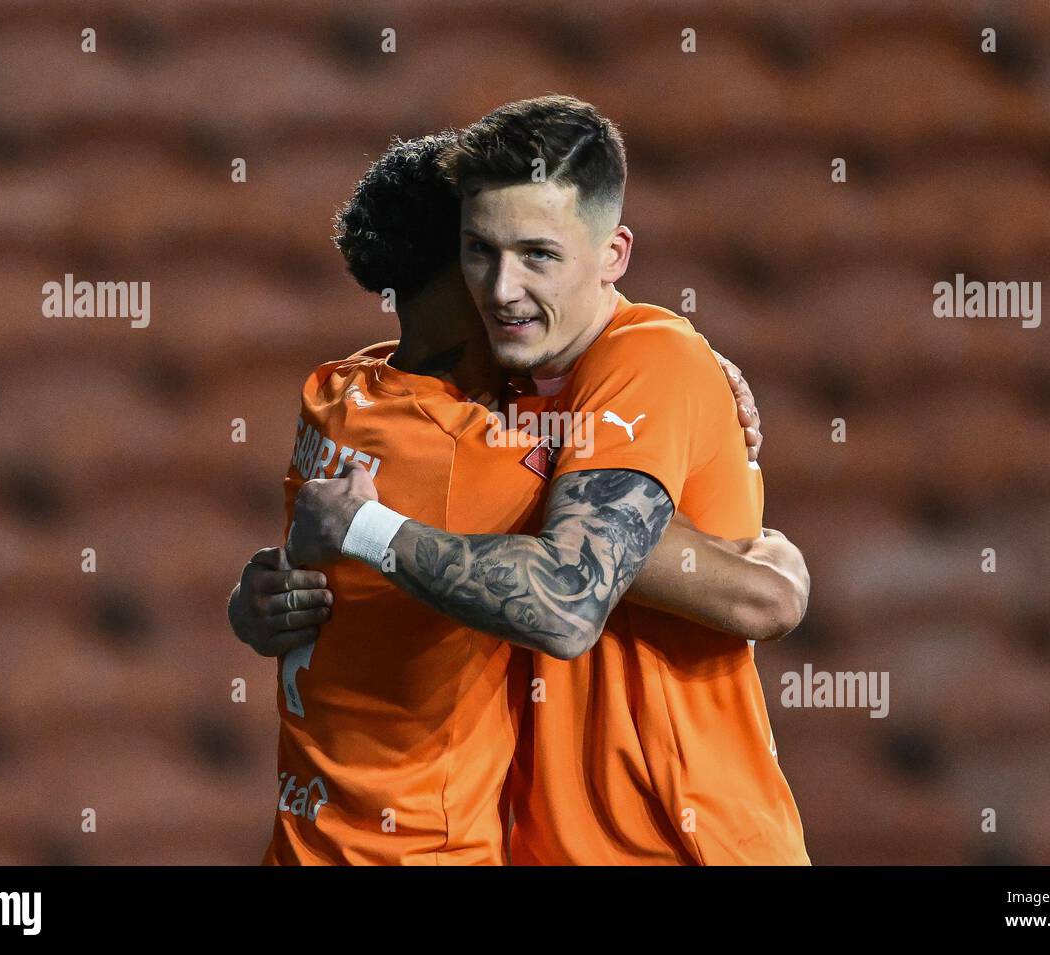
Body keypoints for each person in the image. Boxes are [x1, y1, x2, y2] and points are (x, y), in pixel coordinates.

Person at [287, 96, 810, 864]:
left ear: (614, 253)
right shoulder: (500, 392)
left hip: (685, 844)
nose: (501, 290)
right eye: (480, 252)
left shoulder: (650, 363)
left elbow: (574, 596)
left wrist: (363, 529)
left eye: (538, 255)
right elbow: (758, 591)